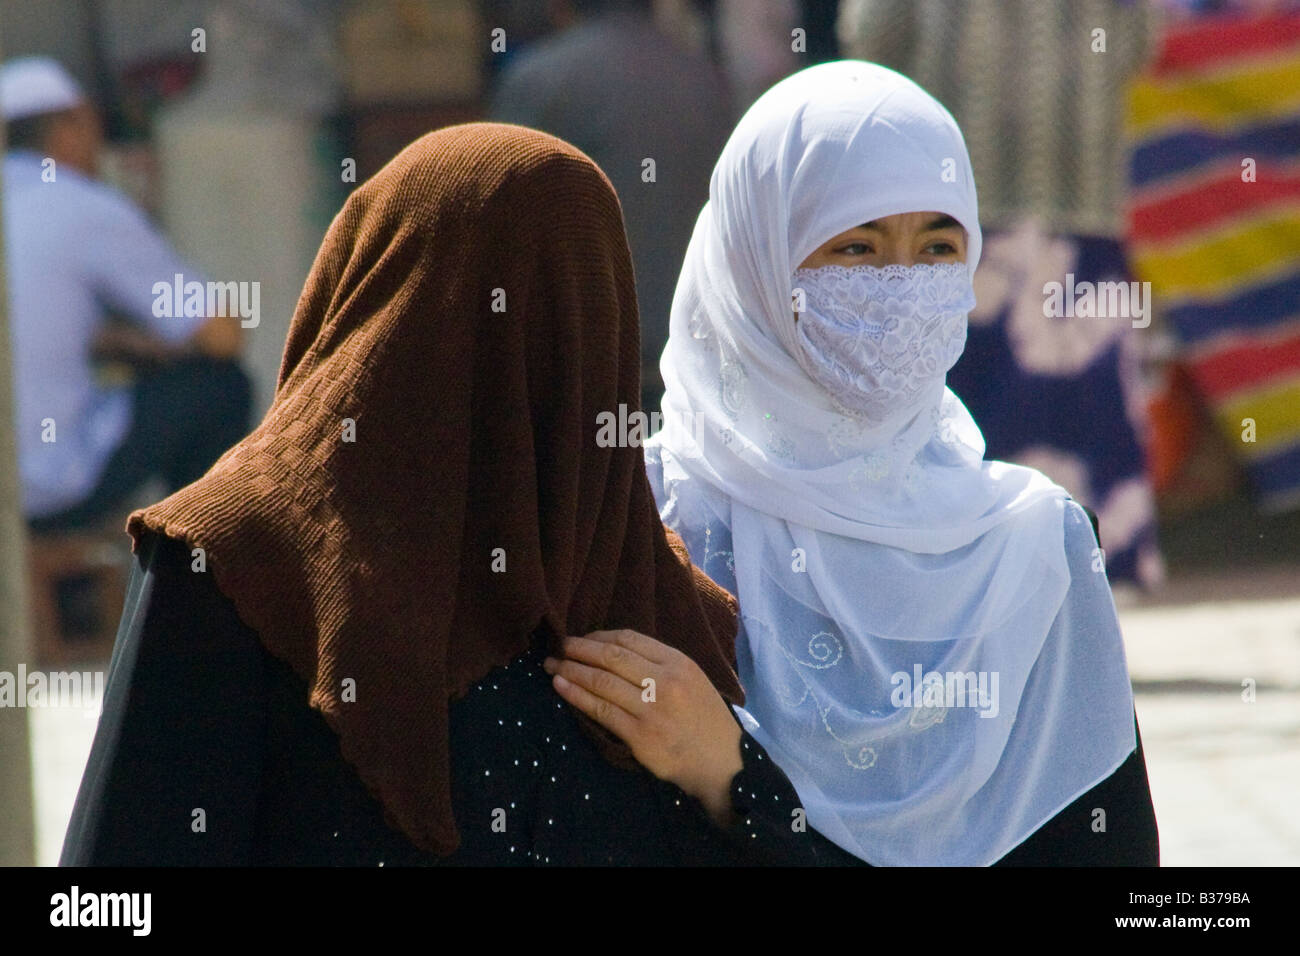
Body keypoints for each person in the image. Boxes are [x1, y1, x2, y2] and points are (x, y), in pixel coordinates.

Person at [60, 122, 835, 866]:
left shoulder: (642, 599)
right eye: (507, 329)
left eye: (569, 330)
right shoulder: (238, 565)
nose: (546, 375)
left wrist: (726, 778)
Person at [549, 60, 1159, 865]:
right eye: (856, 246)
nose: (901, 283)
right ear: (754, 262)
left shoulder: (1036, 544)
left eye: (938, 246)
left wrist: (732, 778)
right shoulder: (650, 522)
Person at [1, 56, 251, 534]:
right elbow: (221, 335)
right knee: (220, 387)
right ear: (72, 121)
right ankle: (196, 568)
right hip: (46, 486)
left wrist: (109, 343)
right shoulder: (80, 204)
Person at [488, 0, 733, 414]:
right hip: (698, 365)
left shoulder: (540, 81)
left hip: (587, 372)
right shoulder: (706, 77)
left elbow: (499, 237)